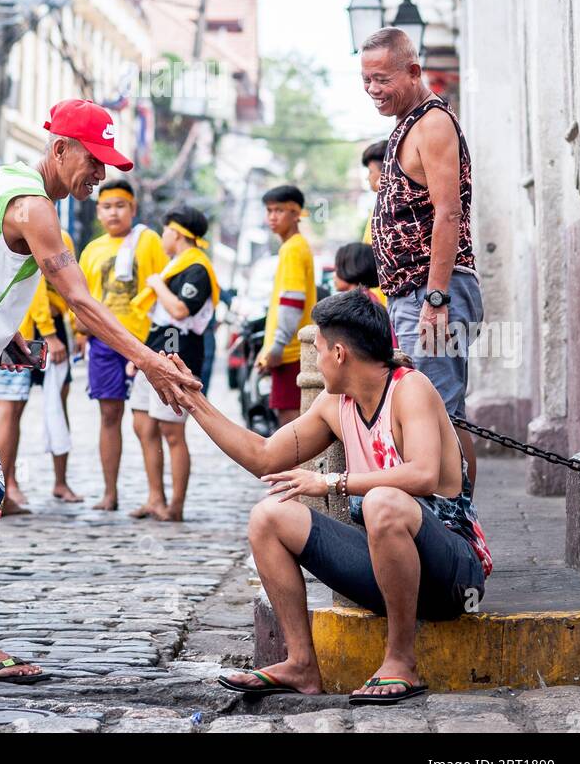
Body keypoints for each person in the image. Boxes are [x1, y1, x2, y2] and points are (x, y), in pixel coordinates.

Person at [0, 98, 200, 686]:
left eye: (106, 165)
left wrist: (5, 336)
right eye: (93, 160)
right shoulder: (36, 209)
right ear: (59, 149)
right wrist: (150, 360)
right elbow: (78, 299)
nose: (99, 175)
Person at [182, 290, 491, 703]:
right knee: (268, 517)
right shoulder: (335, 404)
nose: (318, 358)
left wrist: (331, 483)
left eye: (321, 349)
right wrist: (193, 400)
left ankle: (401, 663)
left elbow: (422, 474)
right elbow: (263, 457)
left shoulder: (409, 389)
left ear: (340, 353)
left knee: (383, 501)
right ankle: (300, 664)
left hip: (452, 573)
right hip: (389, 570)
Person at [361, 27, 483, 487]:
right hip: (413, 295)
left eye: (381, 79)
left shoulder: (432, 123)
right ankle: (455, 524)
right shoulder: (405, 124)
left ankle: (455, 530)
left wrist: (435, 299)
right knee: (434, 413)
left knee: (438, 416)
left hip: (433, 295)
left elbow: (448, 211)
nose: (373, 90)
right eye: (365, 81)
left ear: (413, 71)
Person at [75, 179, 168, 512]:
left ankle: (156, 495)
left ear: (133, 209)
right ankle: (110, 493)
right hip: (102, 344)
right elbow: (81, 298)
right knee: (108, 415)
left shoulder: (149, 241)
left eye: (120, 206)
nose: (113, 212)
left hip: (143, 342)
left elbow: (163, 289)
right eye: (107, 206)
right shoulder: (91, 250)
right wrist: (80, 335)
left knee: (146, 421)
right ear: (98, 211)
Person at [128, 205, 220, 521]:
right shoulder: (175, 266)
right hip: (154, 356)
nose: (163, 235)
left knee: (171, 432)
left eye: (166, 229)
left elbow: (180, 311)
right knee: (143, 425)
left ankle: (176, 505)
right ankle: (155, 498)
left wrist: (156, 285)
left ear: (177, 233)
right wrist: (140, 356)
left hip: (178, 360)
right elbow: (161, 322)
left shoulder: (197, 268)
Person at [0, 228, 81, 514]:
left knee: (56, 403)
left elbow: (71, 287)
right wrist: (50, 333)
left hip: (39, 328)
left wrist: (76, 327)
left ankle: (56, 482)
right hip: (23, 330)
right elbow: (35, 287)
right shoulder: (27, 228)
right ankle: (3, 490)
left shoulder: (62, 235)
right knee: (7, 409)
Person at [256, 185, 316, 426]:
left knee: (290, 422)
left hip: (291, 352)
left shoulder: (292, 249)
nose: (272, 216)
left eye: (279, 210)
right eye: (269, 210)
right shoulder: (295, 246)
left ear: (296, 213)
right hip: (290, 350)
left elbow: (293, 302)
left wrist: (278, 346)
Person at [361, 140, 388, 306]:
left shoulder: (388, 208)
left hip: (384, 303)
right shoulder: (377, 207)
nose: (367, 177)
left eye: (370, 171)